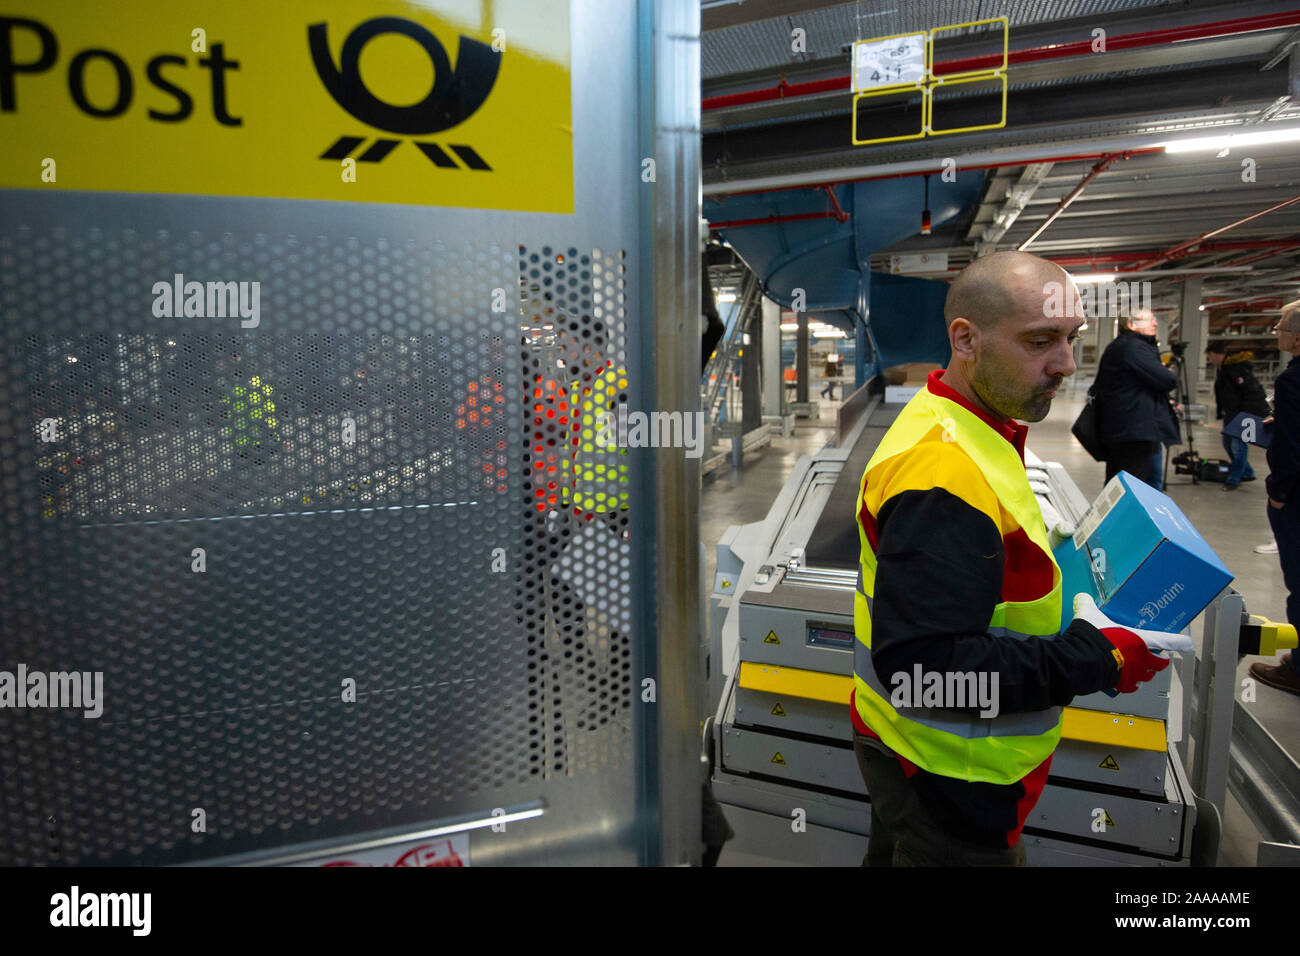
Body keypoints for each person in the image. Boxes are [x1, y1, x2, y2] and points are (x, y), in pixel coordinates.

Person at [851, 251, 1171, 866]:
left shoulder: (965, 422)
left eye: (1072, 338)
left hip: (905, 748)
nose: (1067, 364)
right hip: (950, 779)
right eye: (1040, 341)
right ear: (965, 340)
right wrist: (1096, 657)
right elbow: (925, 672)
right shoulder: (943, 475)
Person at [1251, 300, 1300, 695]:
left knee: (1298, 581)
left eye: (1281, 327)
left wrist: (1279, 491)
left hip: (1297, 496)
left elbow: (1291, 446)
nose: (1278, 333)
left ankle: (1298, 669)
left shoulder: (1292, 380)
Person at [1094, 308, 1178, 485]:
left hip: (1134, 428)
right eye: (1148, 320)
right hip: (1133, 431)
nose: (1155, 323)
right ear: (1131, 325)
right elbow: (1167, 380)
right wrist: (1164, 373)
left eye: (1154, 319)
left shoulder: (1128, 345)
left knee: (1139, 482)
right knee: (1132, 485)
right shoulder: (1133, 347)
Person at [1206, 340, 1270, 490]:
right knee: (1228, 443)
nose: (1210, 360)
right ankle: (1247, 471)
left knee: (1238, 446)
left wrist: (1241, 413)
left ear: (1215, 354)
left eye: (1210, 356)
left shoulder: (1235, 369)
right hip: (1232, 413)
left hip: (1242, 414)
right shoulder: (1224, 369)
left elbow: (1250, 392)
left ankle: (1234, 479)